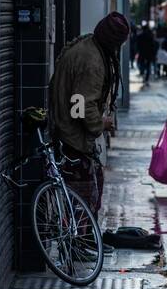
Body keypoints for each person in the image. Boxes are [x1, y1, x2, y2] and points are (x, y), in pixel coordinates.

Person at [48, 11, 131, 215]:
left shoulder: (88, 47)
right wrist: (101, 123)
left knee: (84, 194)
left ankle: (83, 240)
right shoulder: (92, 62)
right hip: (72, 139)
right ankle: (81, 243)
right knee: (84, 198)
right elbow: (80, 104)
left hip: (68, 133)